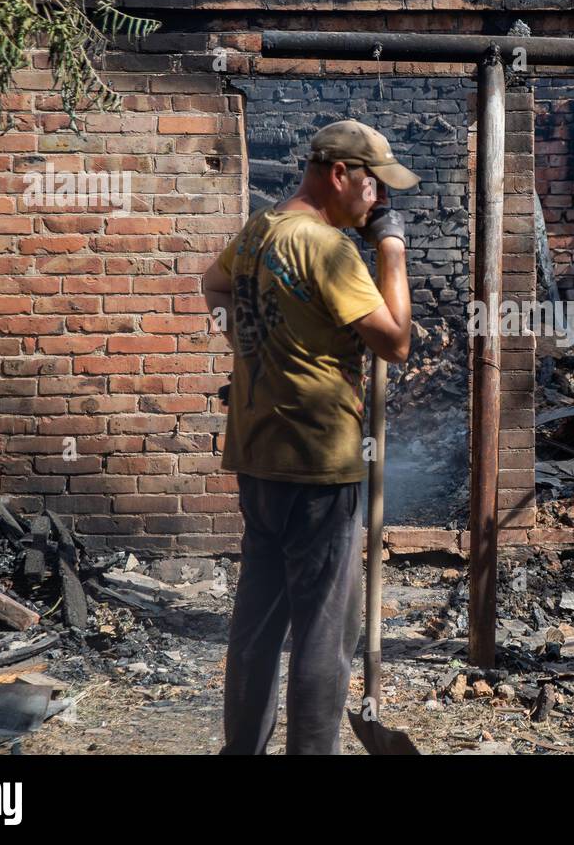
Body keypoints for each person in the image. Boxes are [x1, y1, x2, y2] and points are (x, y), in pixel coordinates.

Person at [201, 119, 415, 754]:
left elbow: (212, 284)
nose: (378, 200)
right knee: (324, 634)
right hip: (320, 466)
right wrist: (393, 250)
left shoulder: (260, 229)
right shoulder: (329, 249)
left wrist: (250, 348)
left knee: (257, 628)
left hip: (258, 456)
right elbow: (396, 341)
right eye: (373, 185)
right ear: (338, 174)